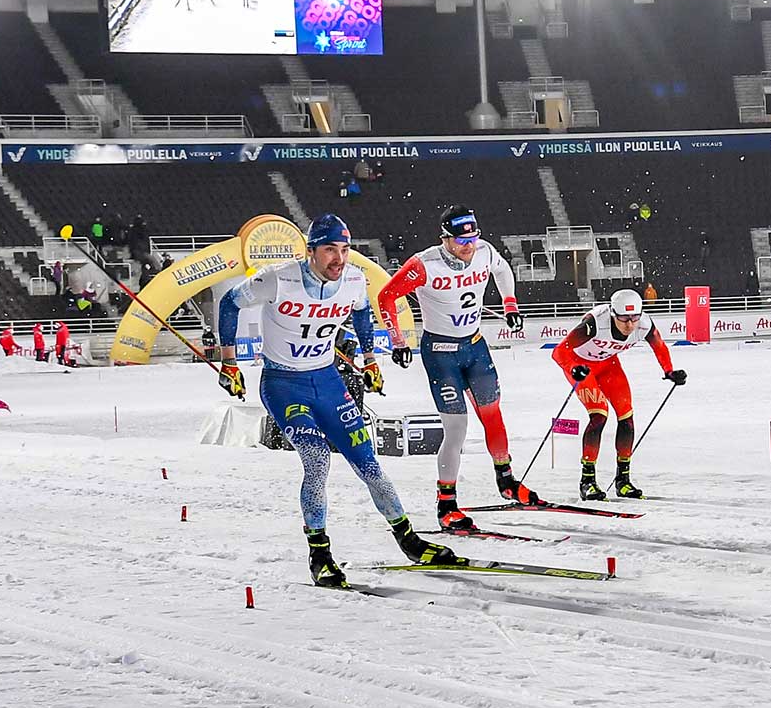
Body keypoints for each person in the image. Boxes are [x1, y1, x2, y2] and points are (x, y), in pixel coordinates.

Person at [217, 213, 460, 587]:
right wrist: (230, 363)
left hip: (328, 381)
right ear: (311, 251)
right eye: (330, 249)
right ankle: (320, 553)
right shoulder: (279, 278)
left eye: (345, 249)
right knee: (316, 460)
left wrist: (371, 359)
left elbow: (363, 313)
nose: (339, 258)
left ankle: (408, 540)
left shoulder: (353, 279)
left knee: (369, 463)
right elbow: (230, 304)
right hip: (284, 385)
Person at [379, 206, 539, 532]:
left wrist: (510, 304)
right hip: (441, 354)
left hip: (476, 347)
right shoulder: (424, 264)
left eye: (472, 237)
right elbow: (386, 296)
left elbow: (503, 268)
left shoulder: (484, 251)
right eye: (461, 240)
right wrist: (397, 341)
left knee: (493, 414)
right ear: (445, 239)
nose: (468, 246)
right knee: (457, 430)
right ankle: (447, 505)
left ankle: (506, 481)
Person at [551, 288, 685, 501]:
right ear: (613, 314)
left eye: (634, 318)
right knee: (599, 415)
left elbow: (659, 346)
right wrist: (573, 367)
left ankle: (623, 480)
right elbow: (559, 351)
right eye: (623, 319)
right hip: (582, 366)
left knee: (626, 416)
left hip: (608, 366)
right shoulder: (594, 322)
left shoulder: (644, 324)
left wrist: (669, 371)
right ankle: (587, 482)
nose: (630, 325)